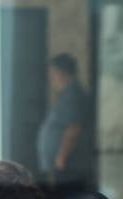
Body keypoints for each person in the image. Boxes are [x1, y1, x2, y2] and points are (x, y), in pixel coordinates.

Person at [36, 53, 93, 191]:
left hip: (68, 167)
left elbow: (73, 127)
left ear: (61, 73)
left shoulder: (72, 95)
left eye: (52, 74)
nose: (50, 79)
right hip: (63, 168)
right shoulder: (66, 96)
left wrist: (60, 159)